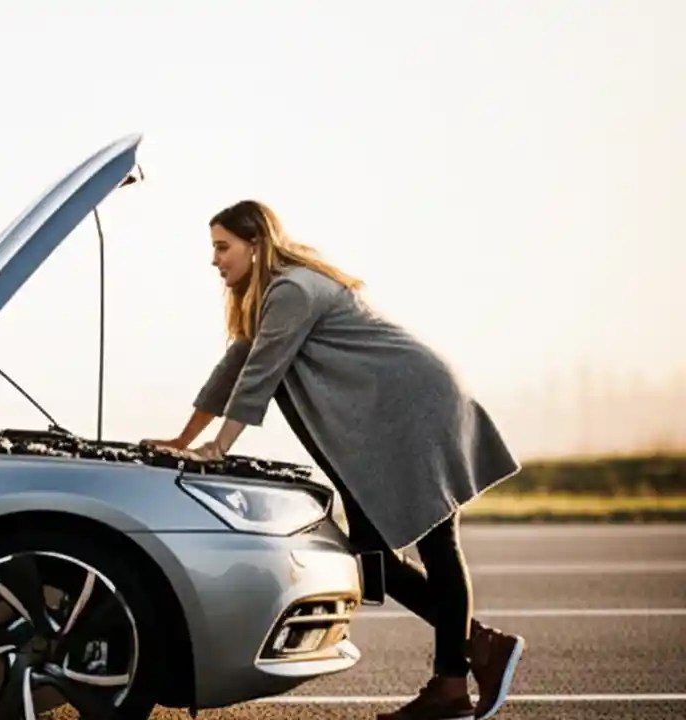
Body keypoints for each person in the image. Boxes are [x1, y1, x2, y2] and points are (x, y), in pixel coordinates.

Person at [142, 200, 527, 720]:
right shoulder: (272, 296)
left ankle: (453, 685)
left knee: (437, 542)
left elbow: (260, 375)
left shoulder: (292, 291)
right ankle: (474, 648)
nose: (214, 260)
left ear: (256, 245)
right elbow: (235, 366)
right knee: (371, 553)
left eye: (222, 247)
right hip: (383, 415)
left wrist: (218, 447)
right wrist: (185, 439)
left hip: (412, 405)